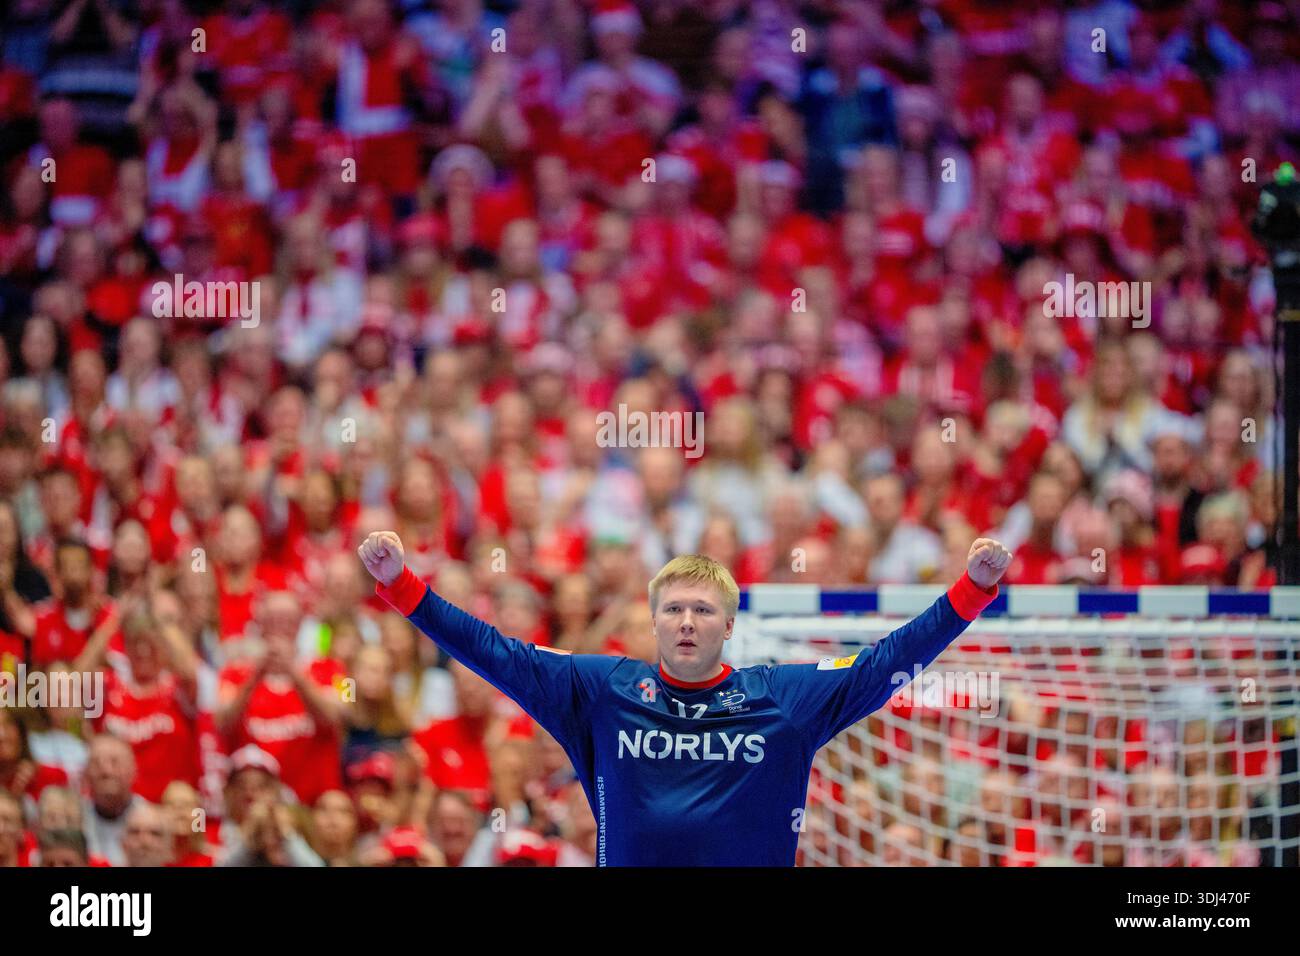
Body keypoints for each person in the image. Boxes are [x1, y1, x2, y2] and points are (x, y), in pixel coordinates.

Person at [358, 529, 1011, 866]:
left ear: (730, 626)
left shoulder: (781, 697)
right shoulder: (605, 690)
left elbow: (884, 666)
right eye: (673, 609)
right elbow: (492, 651)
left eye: (703, 609)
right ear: (653, 621)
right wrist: (400, 585)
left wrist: (971, 592)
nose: (688, 621)